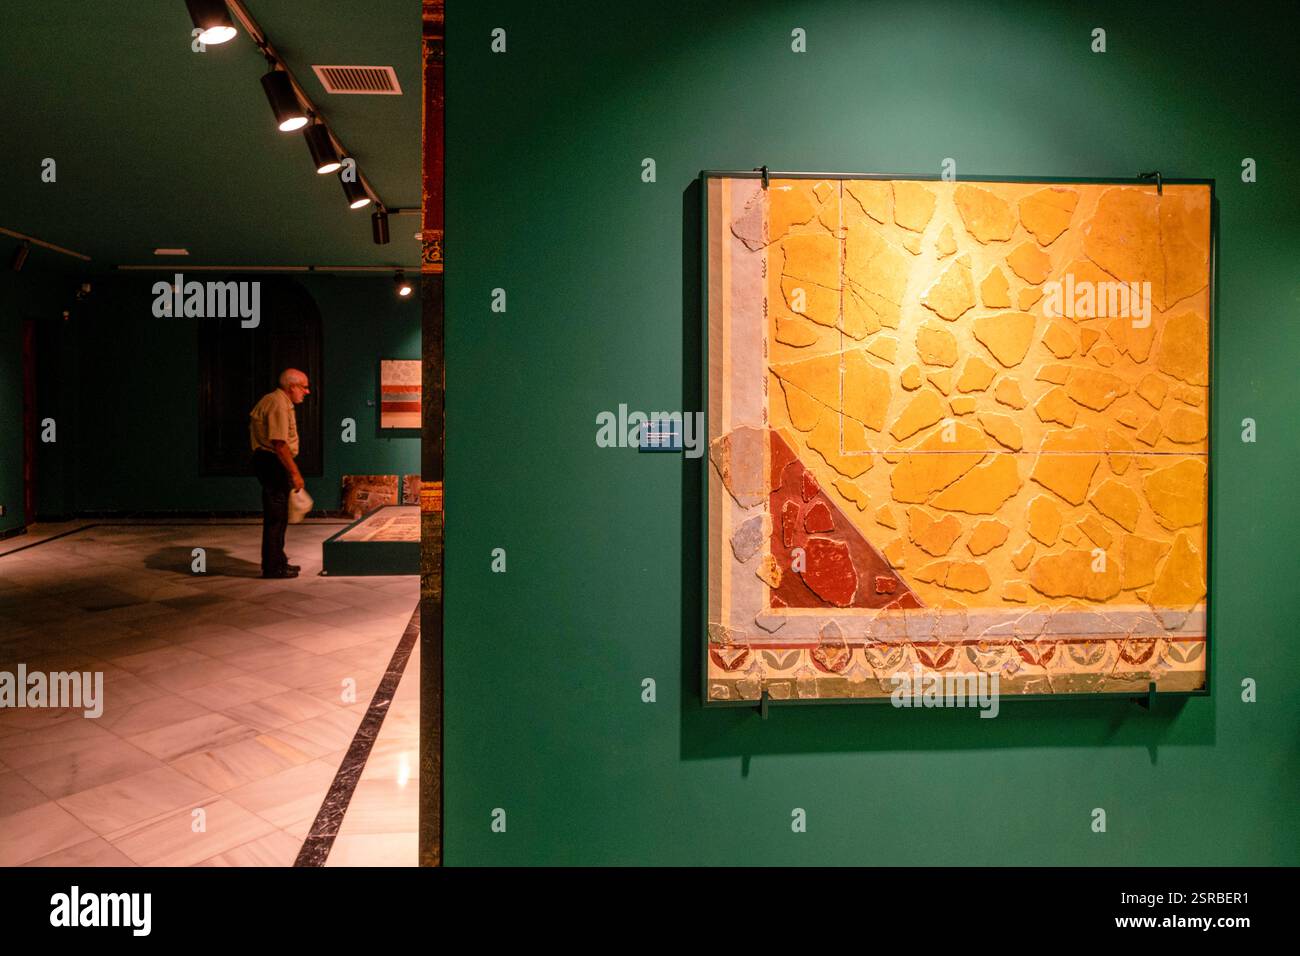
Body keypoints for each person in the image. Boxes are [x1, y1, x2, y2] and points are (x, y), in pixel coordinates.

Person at [249, 368, 310, 578]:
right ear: (291, 386)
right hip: (271, 461)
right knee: (276, 516)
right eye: (303, 387)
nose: (307, 391)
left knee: (280, 515)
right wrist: (295, 473)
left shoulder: (278, 401)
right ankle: (273, 567)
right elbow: (279, 443)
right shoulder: (277, 403)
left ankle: (279, 560)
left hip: (271, 461)